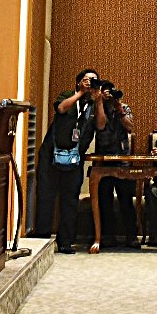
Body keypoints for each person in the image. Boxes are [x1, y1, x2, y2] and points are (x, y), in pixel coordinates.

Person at [34, 70, 100, 254]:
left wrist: (99, 100)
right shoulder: (67, 95)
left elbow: (101, 125)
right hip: (51, 155)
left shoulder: (94, 105)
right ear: (78, 82)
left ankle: (65, 242)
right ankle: (42, 239)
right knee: (46, 197)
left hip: (75, 158)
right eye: (87, 80)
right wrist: (80, 93)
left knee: (70, 201)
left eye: (93, 80)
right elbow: (61, 109)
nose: (90, 83)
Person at [91, 80, 137, 247]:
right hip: (103, 161)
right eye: (106, 91)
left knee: (126, 201)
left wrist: (118, 108)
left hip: (123, 160)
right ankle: (106, 236)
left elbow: (130, 127)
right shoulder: (97, 107)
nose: (109, 94)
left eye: (111, 91)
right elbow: (101, 125)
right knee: (105, 200)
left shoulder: (123, 107)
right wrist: (100, 102)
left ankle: (131, 236)